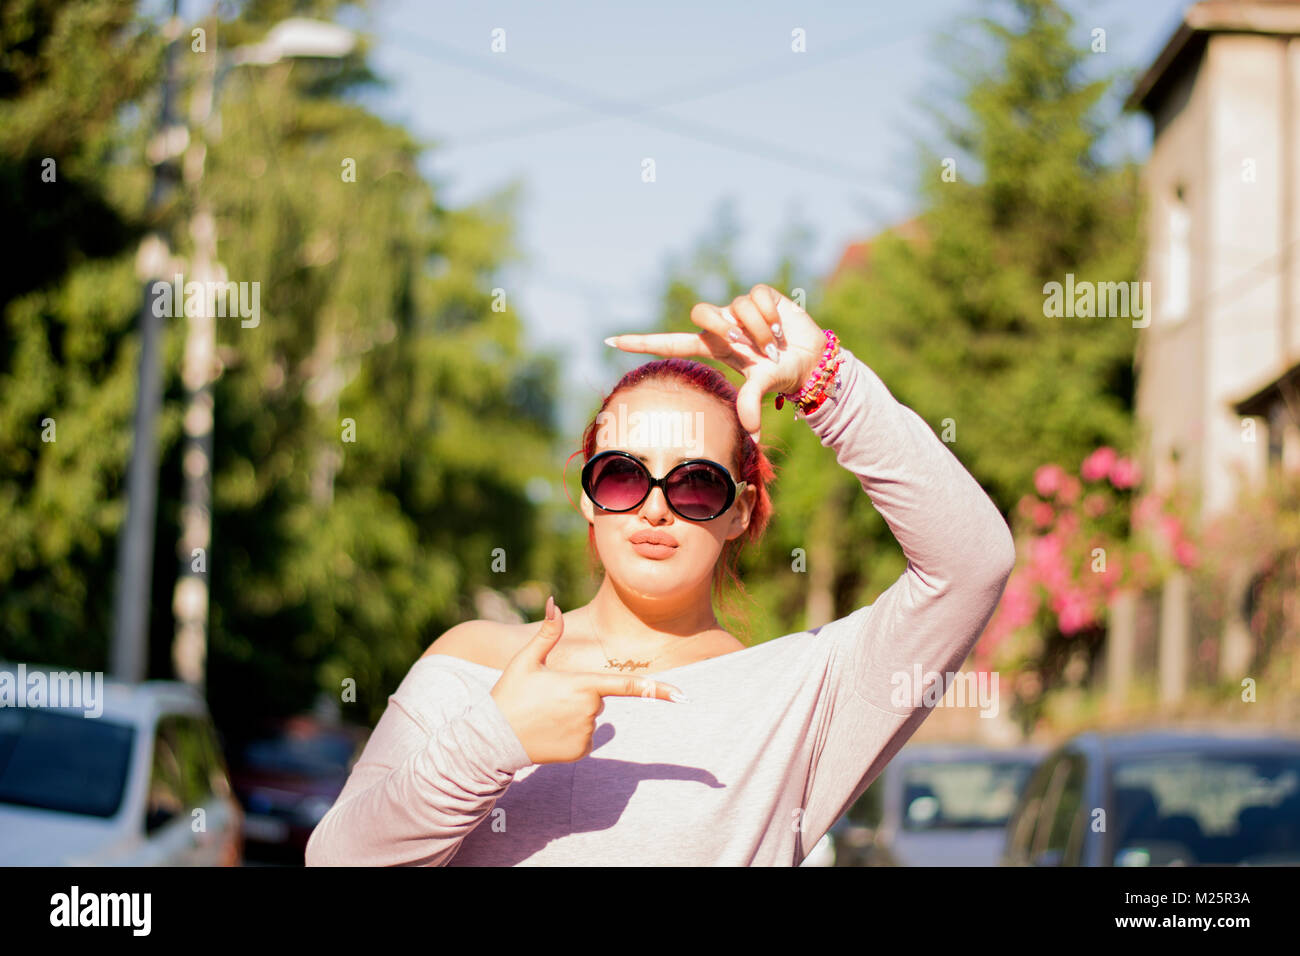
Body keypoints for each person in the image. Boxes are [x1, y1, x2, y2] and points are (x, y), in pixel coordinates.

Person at [305, 284, 1016, 866]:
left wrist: (827, 383)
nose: (654, 508)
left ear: (739, 513)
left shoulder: (803, 695)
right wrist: (493, 739)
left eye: (695, 485)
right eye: (621, 477)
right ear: (587, 495)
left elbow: (972, 563)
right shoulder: (474, 661)